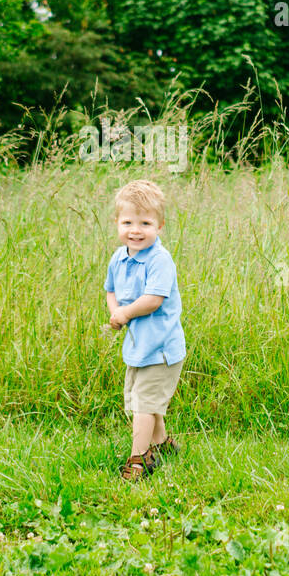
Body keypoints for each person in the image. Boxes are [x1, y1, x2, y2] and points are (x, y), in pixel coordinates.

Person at [104, 180, 186, 481]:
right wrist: (115, 310)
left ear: (160, 226)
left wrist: (125, 312)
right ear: (117, 223)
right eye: (128, 222)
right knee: (142, 402)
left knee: (143, 405)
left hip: (161, 349)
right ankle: (162, 443)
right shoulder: (119, 257)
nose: (135, 230)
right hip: (139, 348)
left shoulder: (159, 260)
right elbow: (110, 289)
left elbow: (153, 300)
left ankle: (138, 459)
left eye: (145, 223)